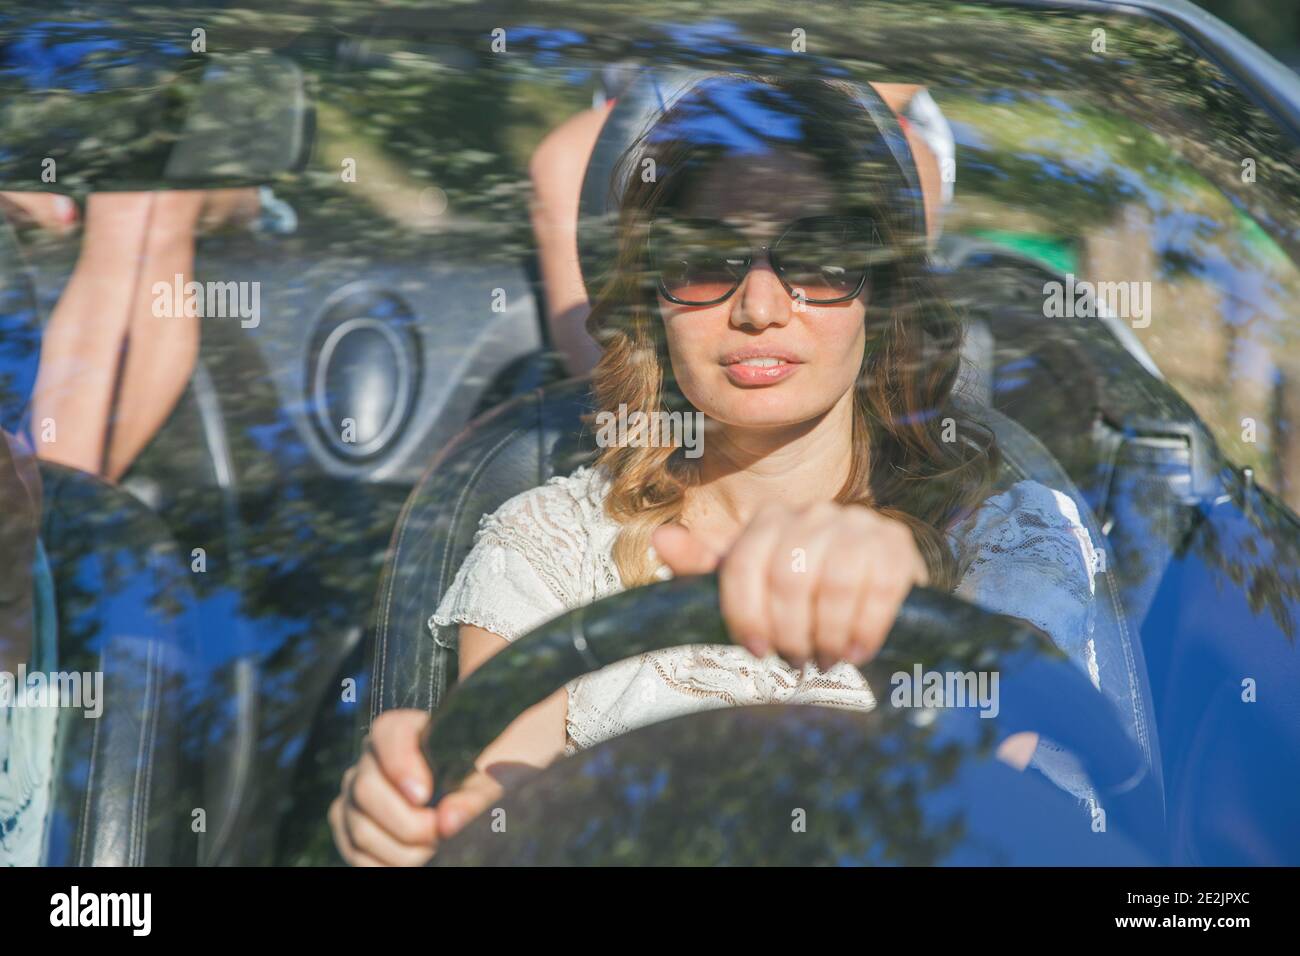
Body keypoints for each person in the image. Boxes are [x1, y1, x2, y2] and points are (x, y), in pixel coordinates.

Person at [330, 72, 1104, 866]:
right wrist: (407, 820)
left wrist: (907, 596)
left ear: (886, 294)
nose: (761, 306)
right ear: (651, 303)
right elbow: (489, 818)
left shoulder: (1000, 534)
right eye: (705, 260)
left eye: (822, 255)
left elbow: (1000, 807)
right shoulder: (550, 545)